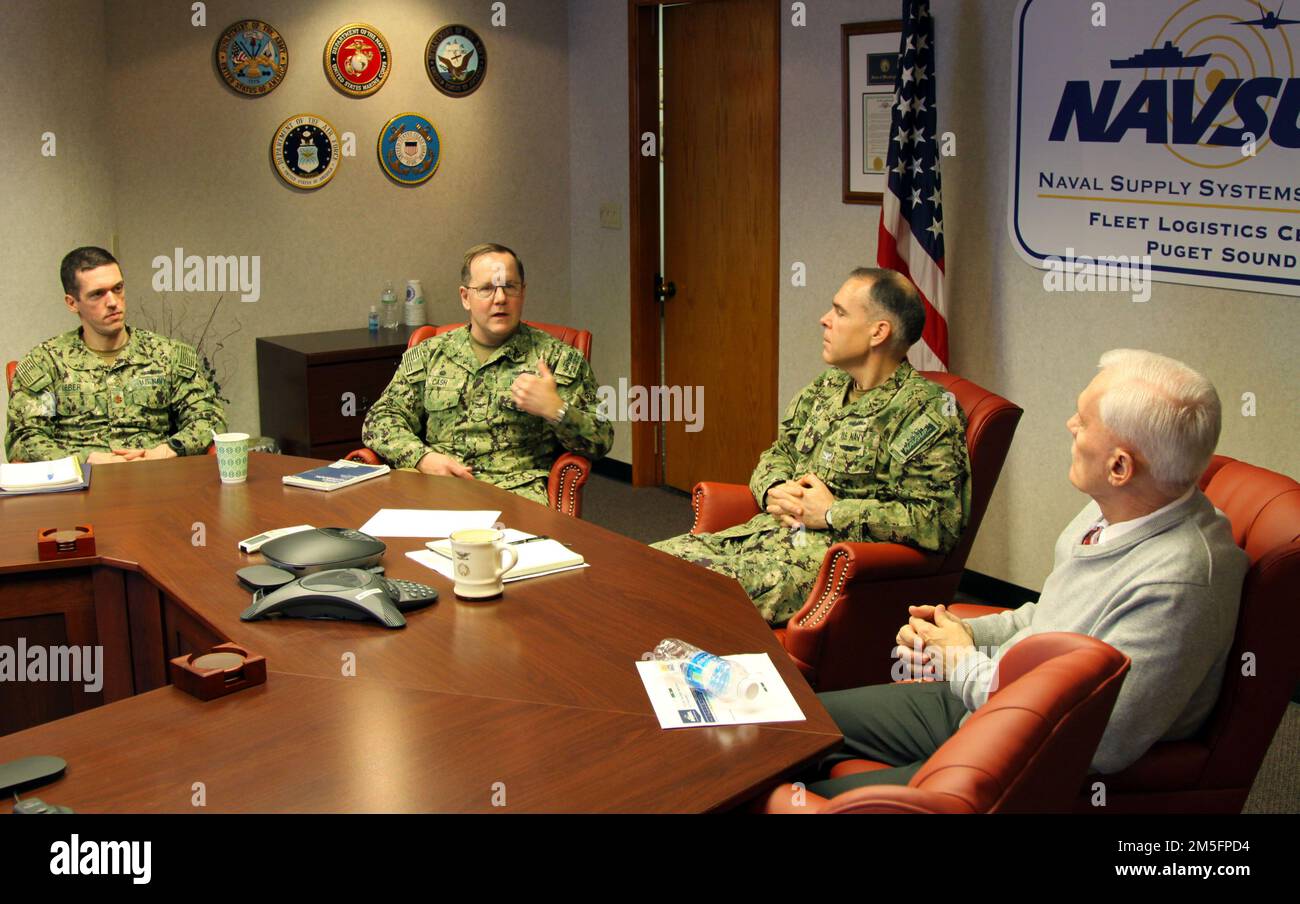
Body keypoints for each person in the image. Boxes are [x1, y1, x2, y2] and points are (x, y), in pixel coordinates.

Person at [808, 349, 1250, 798]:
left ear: (1119, 466)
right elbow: (1048, 619)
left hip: (1030, 752)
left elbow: (1102, 742)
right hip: (986, 698)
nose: (1070, 426)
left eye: (1084, 420)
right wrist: (965, 634)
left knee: (824, 800)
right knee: (790, 726)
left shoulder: (1179, 585)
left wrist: (961, 663)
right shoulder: (1118, 508)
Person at [651, 268, 971, 625]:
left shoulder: (926, 410)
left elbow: (938, 521)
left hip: (821, 567)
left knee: (677, 596)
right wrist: (774, 488)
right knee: (645, 567)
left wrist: (834, 512)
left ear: (878, 332)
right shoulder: (828, 386)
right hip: (761, 536)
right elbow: (780, 452)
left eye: (840, 312)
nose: (824, 320)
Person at [362, 243, 612, 505]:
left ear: (522, 293)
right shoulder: (431, 354)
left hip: (514, 494)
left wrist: (556, 410)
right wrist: (423, 458)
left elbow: (602, 439)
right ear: (465, 297)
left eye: (510, 287)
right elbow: (381, 419)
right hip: (437, 486)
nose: (500, 298)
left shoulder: (557, 359)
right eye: (487, 289)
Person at [5, 246, 227, 465]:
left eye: (118, 288)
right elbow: (24, 437)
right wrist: (86, 459)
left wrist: (168, 450)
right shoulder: (47, 362)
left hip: (156, 475)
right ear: (72, 303)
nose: (112, 302)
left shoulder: (168, 355)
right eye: (97, 294)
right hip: (81, 482)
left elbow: (209, 417)